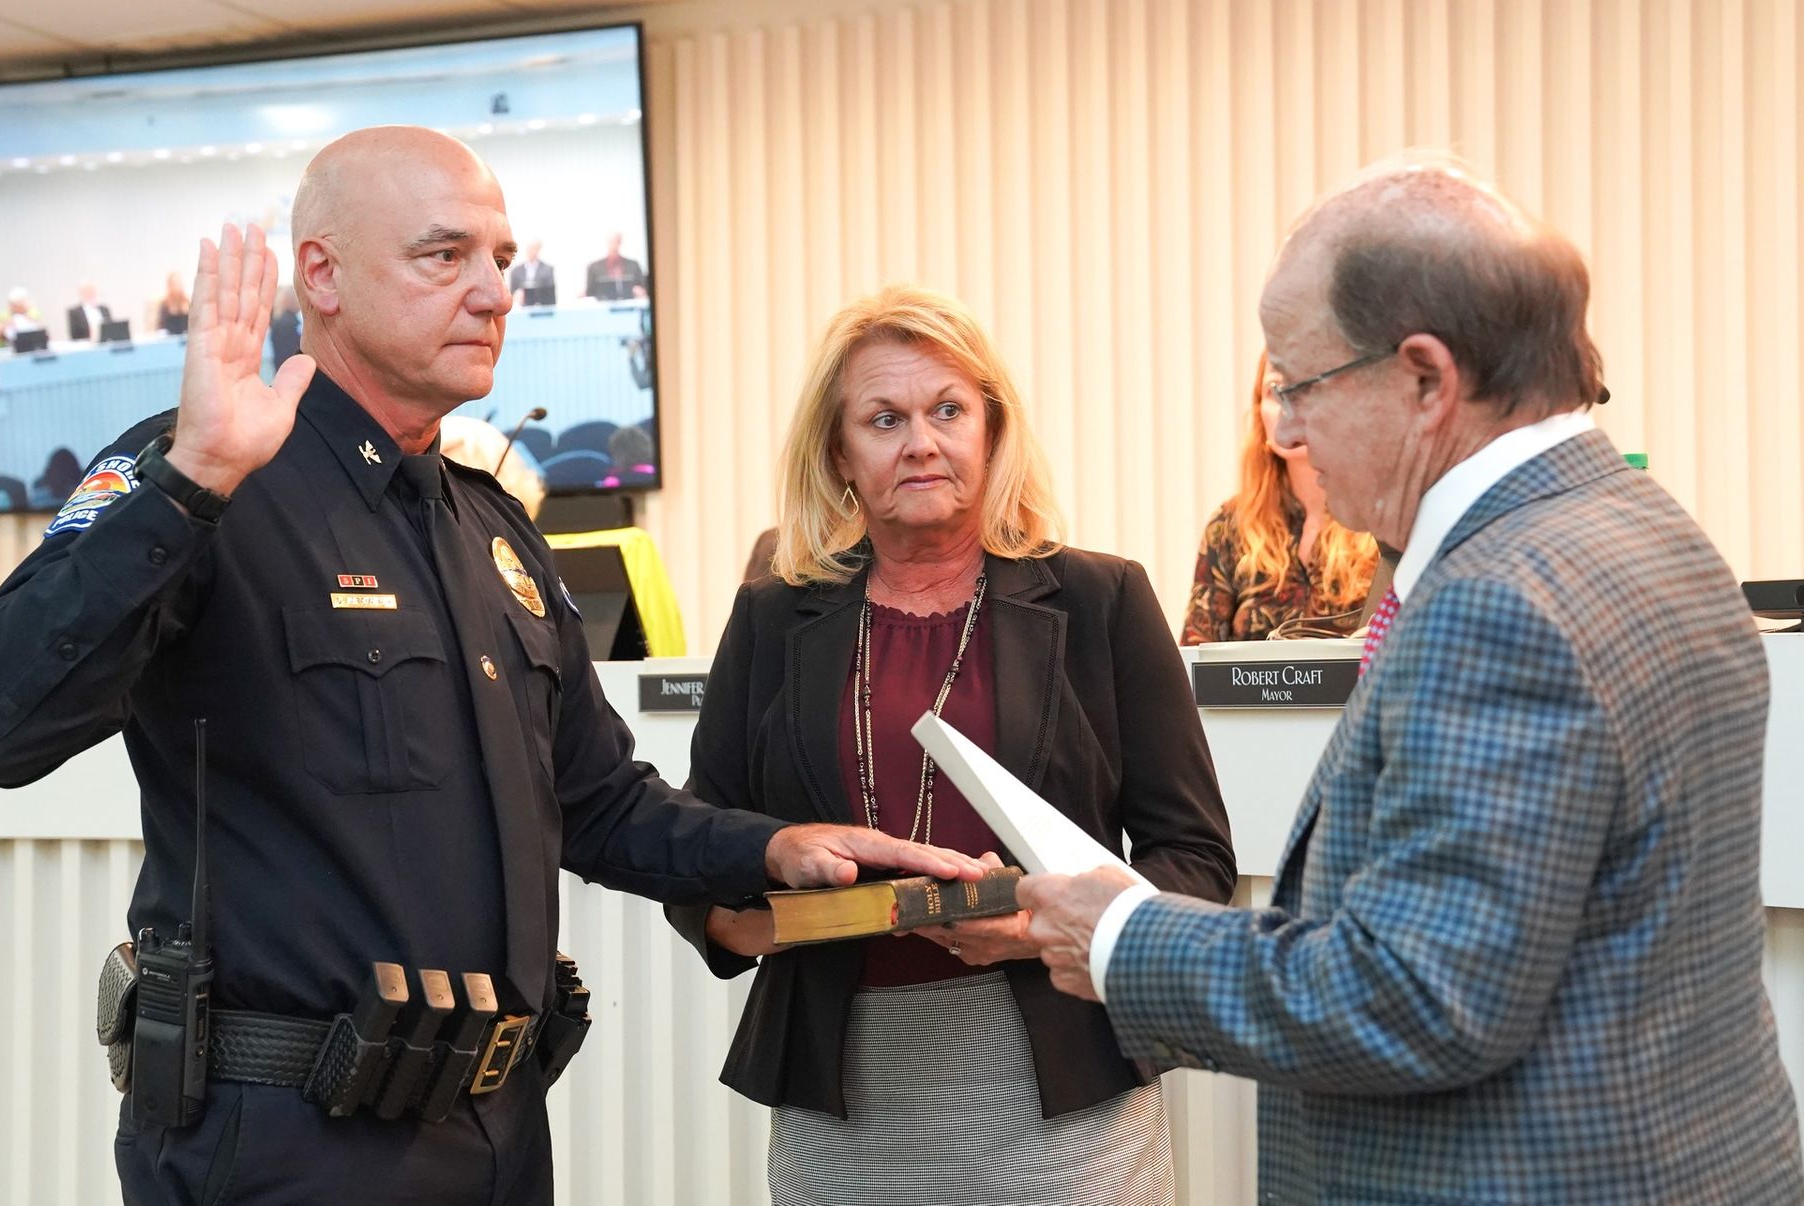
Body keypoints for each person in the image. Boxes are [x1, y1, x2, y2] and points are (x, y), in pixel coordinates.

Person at [0, 126, 981, 1206]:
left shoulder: (493, 528)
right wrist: (190, 481)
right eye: (447, 258)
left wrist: (778, 848)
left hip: (496, 1138)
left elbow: (599, 805)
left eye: (502, 259)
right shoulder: (206, 471)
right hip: (283, 1149)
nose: (495, 293)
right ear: (323, 275)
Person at [1018, 155, 1804, 1202]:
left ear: (1427, 380)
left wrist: (1123, 935)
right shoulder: (1644, 526)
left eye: (1298, 385)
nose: (1281, 430)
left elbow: (1414, 1000)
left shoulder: (1500, 603)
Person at [667, 285, 1236, 1206]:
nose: (921, 442)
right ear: (840, 455)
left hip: (1063, 1083)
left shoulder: (1102, 601)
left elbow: (1196, 857)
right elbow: (702, 838)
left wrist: (1042, 932)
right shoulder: (773, 617)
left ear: (991, 432)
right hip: (841, 1083)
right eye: (884, 419)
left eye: (948, 411)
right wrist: (735, 920)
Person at [1181, 351, 1376, 643]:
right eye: (1275, 391)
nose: (1289, 408)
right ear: (1259, 412)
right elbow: (1195, 660)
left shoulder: (1378, 518)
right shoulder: (1229, 526)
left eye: (1304, 389)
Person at [583, 232, 646, 301]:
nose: (613, 245)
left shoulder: (633, 265)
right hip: (603, 306)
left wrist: (640, 291)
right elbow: (590, 291)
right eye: (610, 242)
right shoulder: (594, 267)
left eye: (616, 241)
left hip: (629, 305)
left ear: (620, 242)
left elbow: (642, 288)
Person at [509, 240, 556, 306]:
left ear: (538, 250)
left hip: (541, 309)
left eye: (534, 249)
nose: (532, 251)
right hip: (521, 309)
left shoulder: (548, 270)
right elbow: (511, 293)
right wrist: (516, 296)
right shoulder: (516, 271)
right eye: (530, 248)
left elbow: (550, 295)